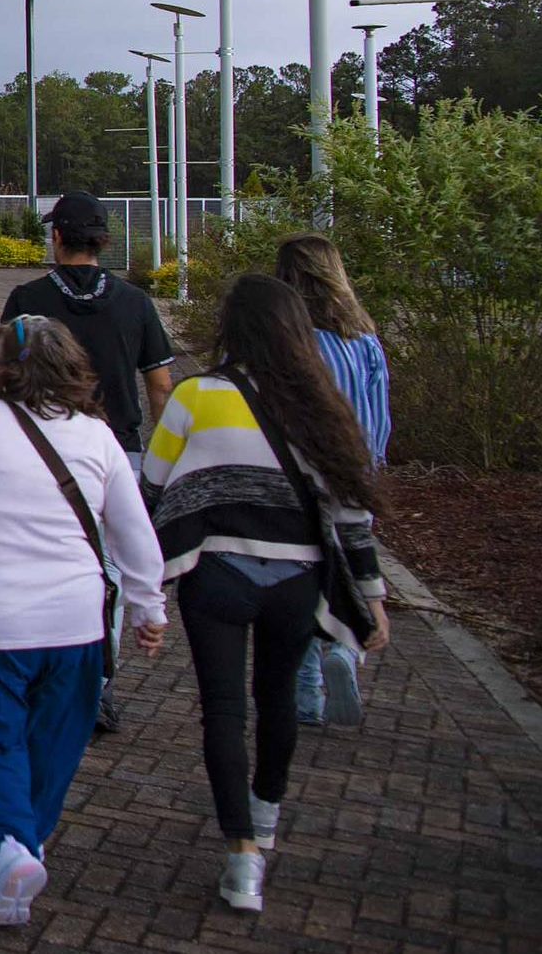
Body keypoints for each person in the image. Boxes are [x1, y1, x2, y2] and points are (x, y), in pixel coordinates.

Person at [0, 315, 167, 927]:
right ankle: (26, 843)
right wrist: (150, 607)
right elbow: (133, 533)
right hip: (74, 623)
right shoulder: (97, 437)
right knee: (56, 739)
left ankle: (12, 846)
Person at [142, 274, 391, 915]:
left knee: (223, 712)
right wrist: (373, 597)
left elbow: (154, 485)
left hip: (215, 574)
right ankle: (267, 811)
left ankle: (241, 857)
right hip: (297, 580)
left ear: (232, 326)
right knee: (276, 698)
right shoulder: (319, 403)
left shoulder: (196, 395)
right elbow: (350, 513)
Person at [1, 191, 176, 734]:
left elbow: (2, 374)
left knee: (31, 562)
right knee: (112, 574)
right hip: (116, 449)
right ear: (103, 239)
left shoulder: (27, 298)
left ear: (57, 237)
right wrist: (160, 458)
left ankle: (34, 675)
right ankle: (94, 686)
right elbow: (161, 385)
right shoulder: (135, 301)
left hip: (37, 451)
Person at [276, 234, 390, 729]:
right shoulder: (363, 337)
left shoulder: (287, 339)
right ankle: (346, 647)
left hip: (299, 471)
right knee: (349, 562)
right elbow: (380, 411)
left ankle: (307, 693)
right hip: (352, 468)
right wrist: (372, 467)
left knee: (299, 575)